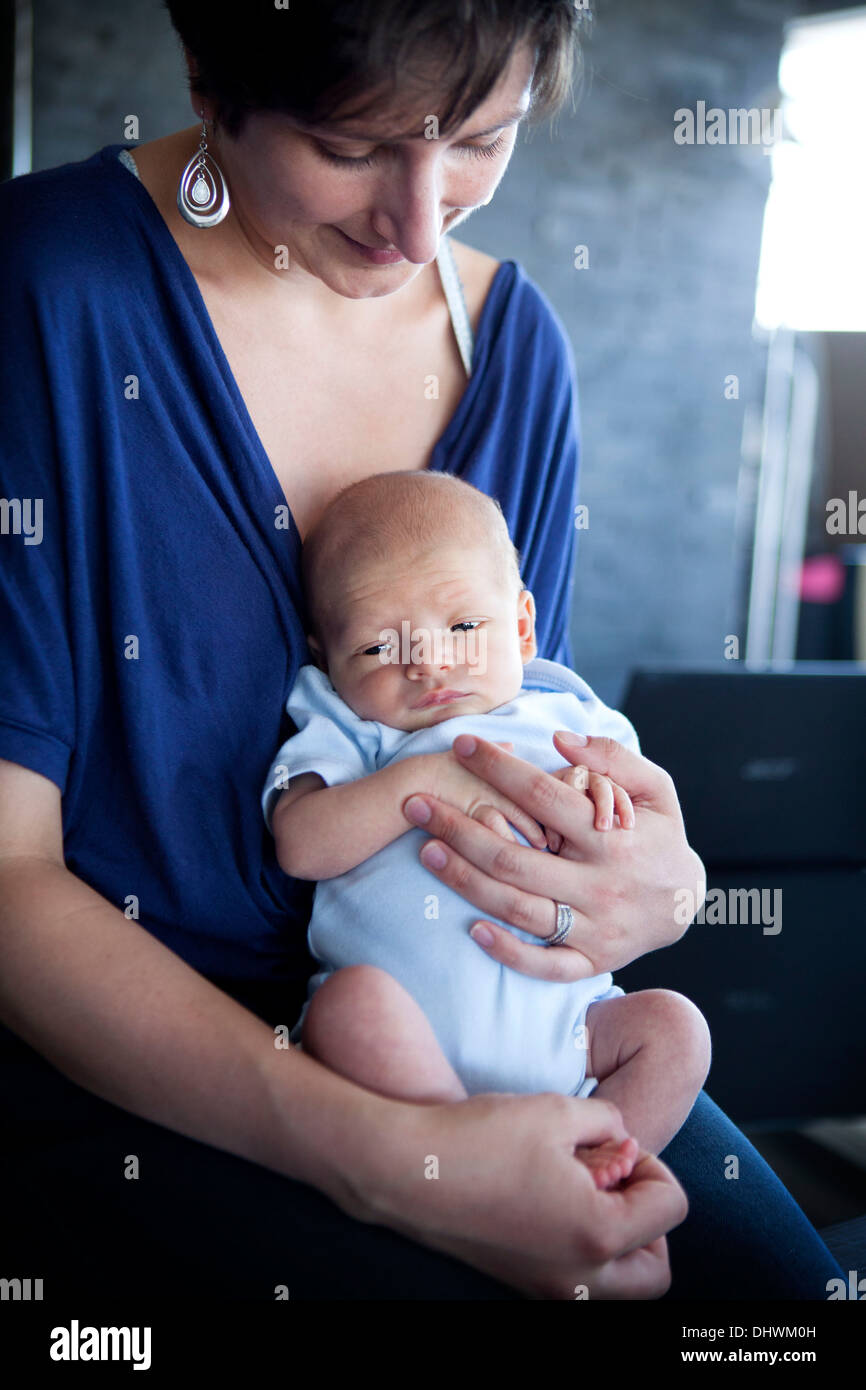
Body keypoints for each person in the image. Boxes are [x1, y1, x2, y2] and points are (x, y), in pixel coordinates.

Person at [0, 0, 844, 1300]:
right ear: (205, 65)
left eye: (480, 138)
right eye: (353, 144)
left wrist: (660, 888)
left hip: (503, 1014)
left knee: (777, 1305)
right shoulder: (46, 288)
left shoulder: (517, 353)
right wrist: (403, 1160)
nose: (418, 219)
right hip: (133, 1050)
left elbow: (514, 727)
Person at [264, 469, 712, 1187]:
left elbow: (640, 838)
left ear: (524, 626)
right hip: (405, 1046)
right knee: (347, 1009)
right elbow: (301, 844)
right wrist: (425, 779)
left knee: (677, 1031)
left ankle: (601, 1164)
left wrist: (601, 798)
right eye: (379, 648)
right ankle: (465, 1167)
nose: (429, 664)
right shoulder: (352, 726)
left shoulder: (571, 716)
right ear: (325, 657)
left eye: (465, 627)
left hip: (570, 1038)